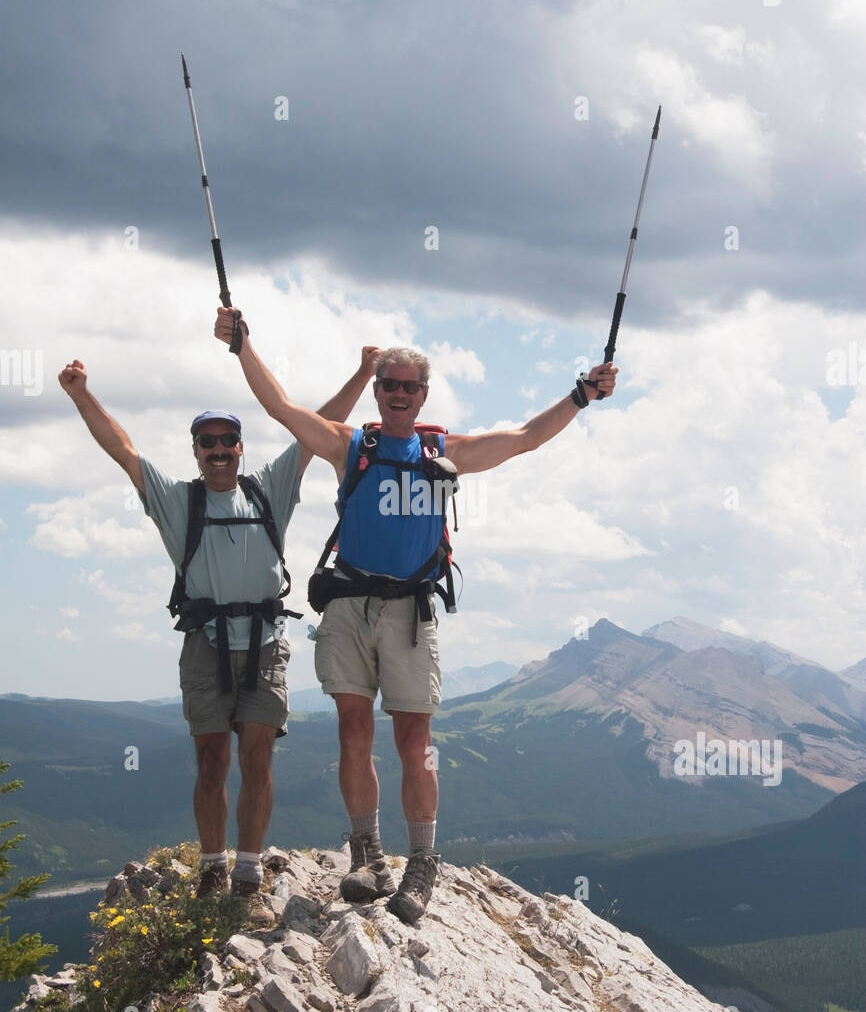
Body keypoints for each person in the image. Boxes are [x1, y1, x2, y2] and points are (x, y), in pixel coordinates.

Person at [214, 311, 618, 925]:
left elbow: (527, 436)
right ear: (377, 392)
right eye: (389, 385)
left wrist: (583, 393)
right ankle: (367, 854)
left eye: (409, 386)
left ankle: (422, 862)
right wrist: (244, 346)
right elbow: (280, 408)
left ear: (423, 394)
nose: (399, 394)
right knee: (353, 731)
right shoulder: (353, 446)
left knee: (414, 741)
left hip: (410, 610)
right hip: (349, 606)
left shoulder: (442, 450)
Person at [58, 348, 380, 926]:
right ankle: (213, 868)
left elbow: (317, 430)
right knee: (211, 761)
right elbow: (124, 451)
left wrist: (361, 373)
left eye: (226, 440)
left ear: (239, 447)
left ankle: (248, 873)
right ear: (196, 452)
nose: (218, 450)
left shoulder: (267, 490)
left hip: (264, 642)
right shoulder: (178, 500)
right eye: (207, 442)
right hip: (207, 642)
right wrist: (82, 394)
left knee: (257, 757)